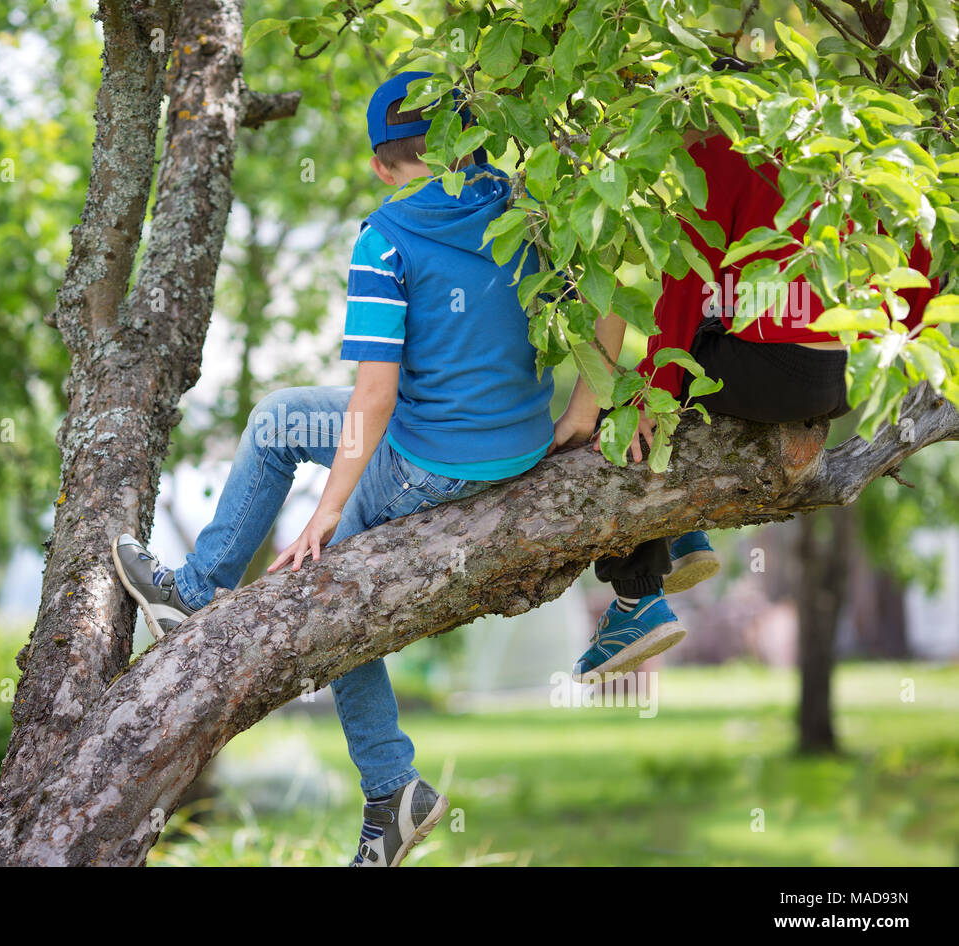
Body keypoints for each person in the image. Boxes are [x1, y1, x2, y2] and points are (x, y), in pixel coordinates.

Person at [111, 71, 556, 866]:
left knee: (318, 533)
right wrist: (584, 412)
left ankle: (198, 592)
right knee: (291, 415)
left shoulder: (386, 239)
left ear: (383, 164)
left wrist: (327, 511)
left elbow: (376, 395)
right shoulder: (528, 205)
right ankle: (392, 791)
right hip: (519, 443)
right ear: (469, 139)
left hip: (435, 461)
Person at [551, 60, 940, 682]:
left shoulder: (716, 152)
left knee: (628, 402)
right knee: (691, 376)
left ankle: (634, 600)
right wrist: (905, 337)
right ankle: (687, 534)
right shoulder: (851, 148)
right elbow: (926, 246)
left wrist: (647, 394)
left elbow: (682, 284)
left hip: (779, 366)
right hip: (843, 375)